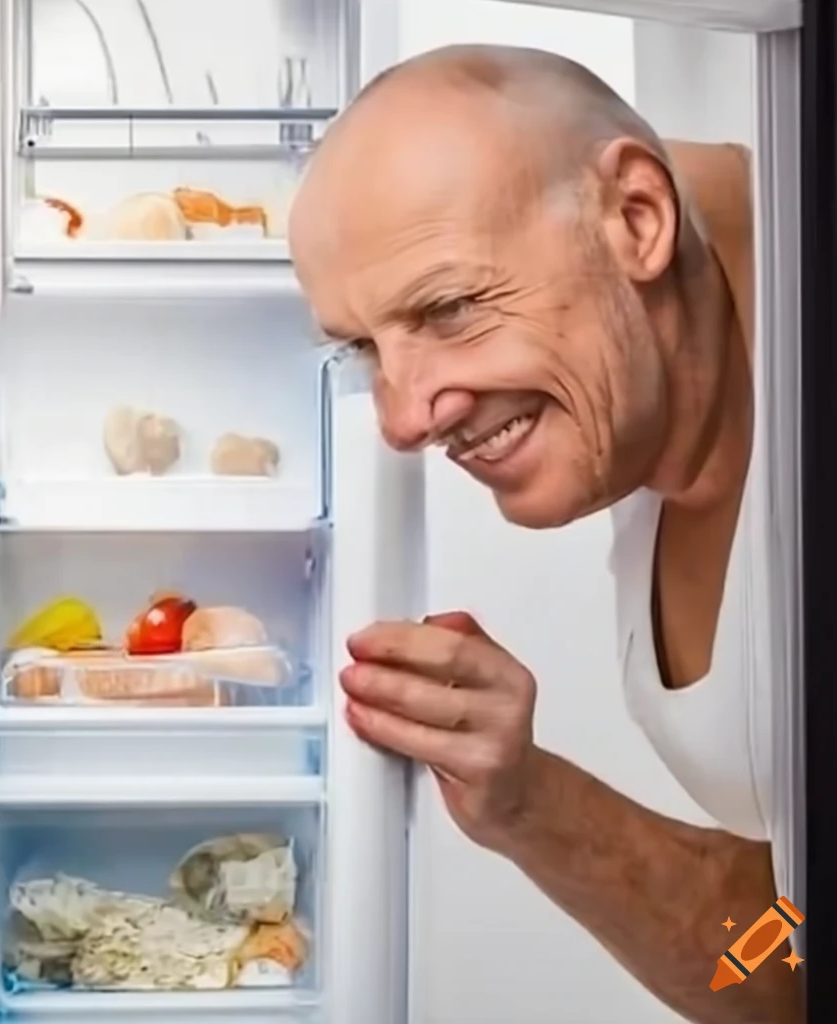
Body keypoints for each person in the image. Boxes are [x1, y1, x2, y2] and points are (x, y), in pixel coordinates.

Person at [288, 44, 802, 1024]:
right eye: (362, 346)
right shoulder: (653, 362)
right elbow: (788, 952)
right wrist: (525, 798)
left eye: (444, 309)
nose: (401, 421)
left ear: (638, 220)